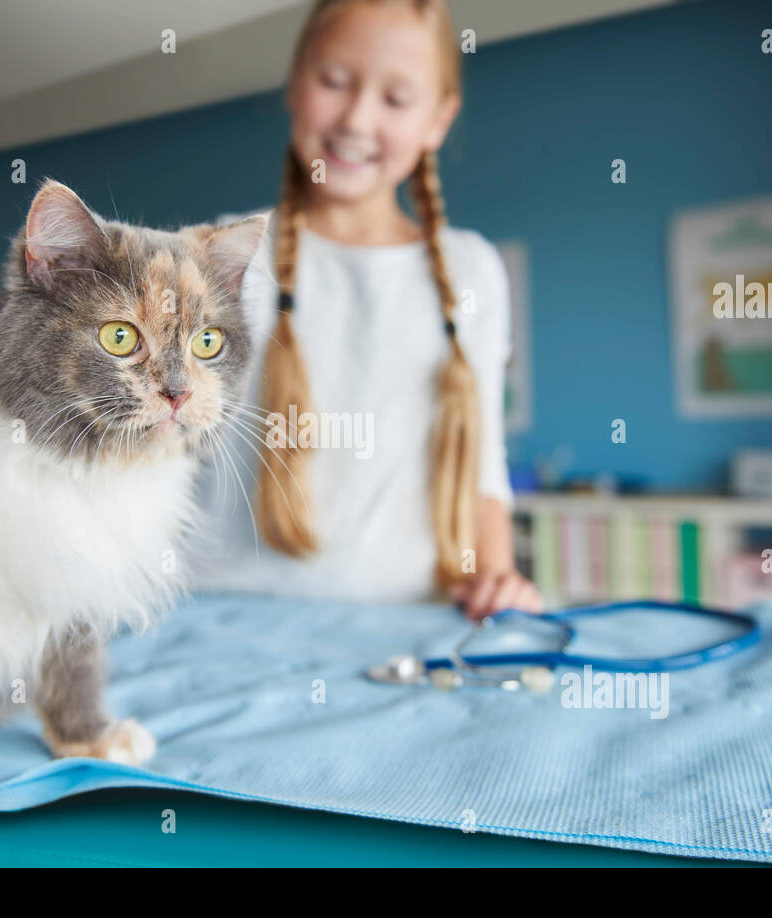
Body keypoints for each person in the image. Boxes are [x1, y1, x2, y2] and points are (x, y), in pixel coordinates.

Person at [193, 0, 543, 620]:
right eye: (334, 81)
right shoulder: (217, 253)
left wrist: (496, 580)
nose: (357, 119)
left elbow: (482, 462)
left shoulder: (473, 271)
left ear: (439, 120)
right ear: (295, 83)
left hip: (410, 625)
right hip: (220, 618)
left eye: (397, 98)